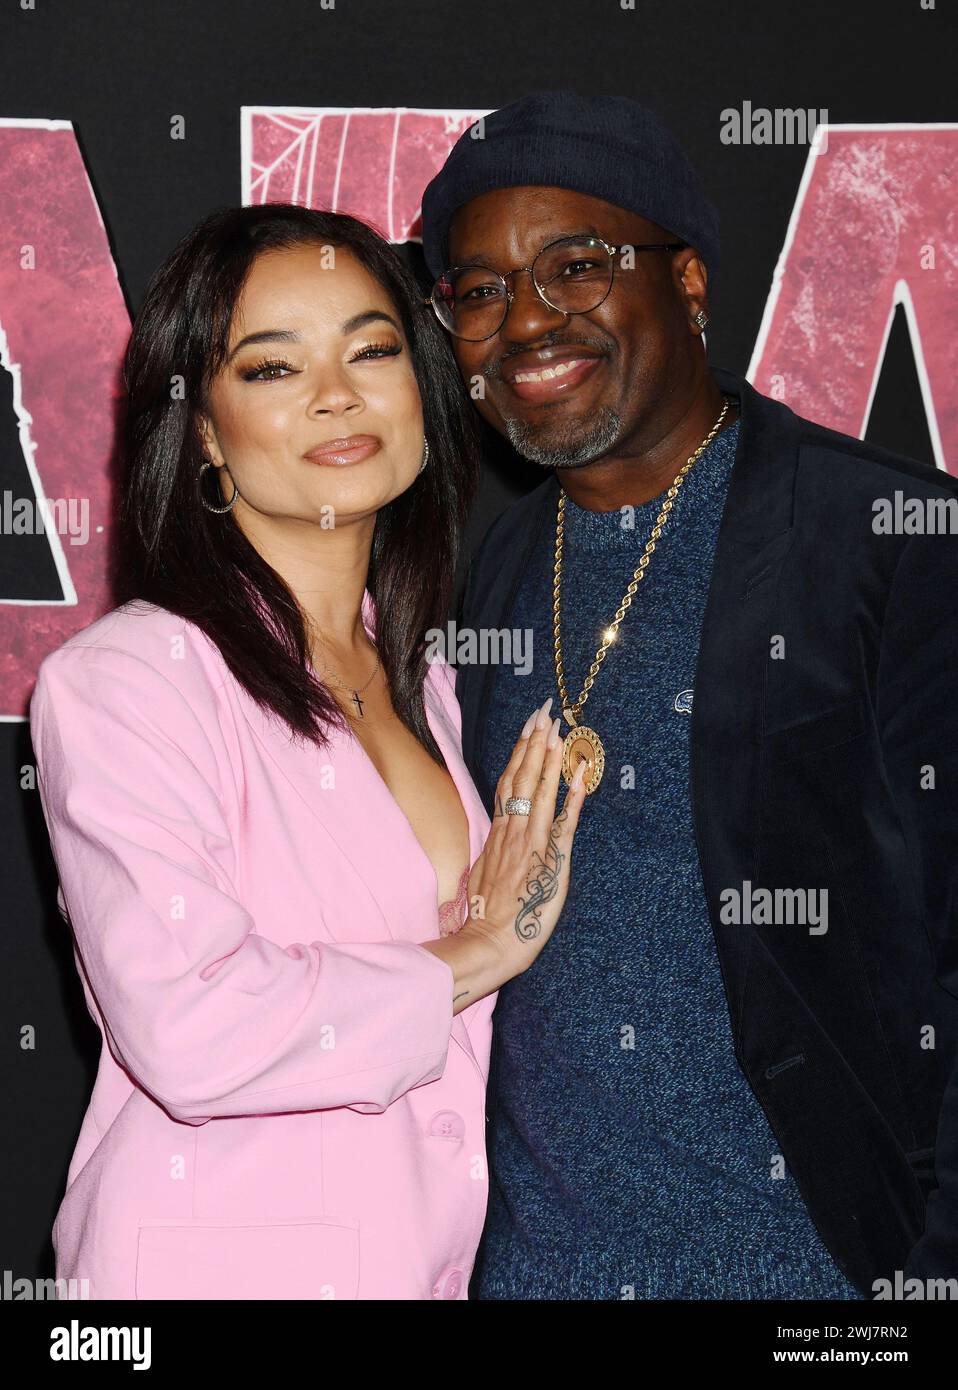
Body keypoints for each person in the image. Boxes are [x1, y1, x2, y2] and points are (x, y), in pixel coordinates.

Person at [419, 90, 958, 1300]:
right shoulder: (500, 567)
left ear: (693, 282)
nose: (525, 321)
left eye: (577, 266)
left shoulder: (883, 540)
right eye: (478, 290)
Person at [29, 203, 588, 1300]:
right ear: (199, 427)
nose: (337, 393)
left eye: (371, 349)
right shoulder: (129, 681)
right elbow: (191, 1025)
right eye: (273, 368)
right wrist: (474, 951)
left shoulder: (425, 677)